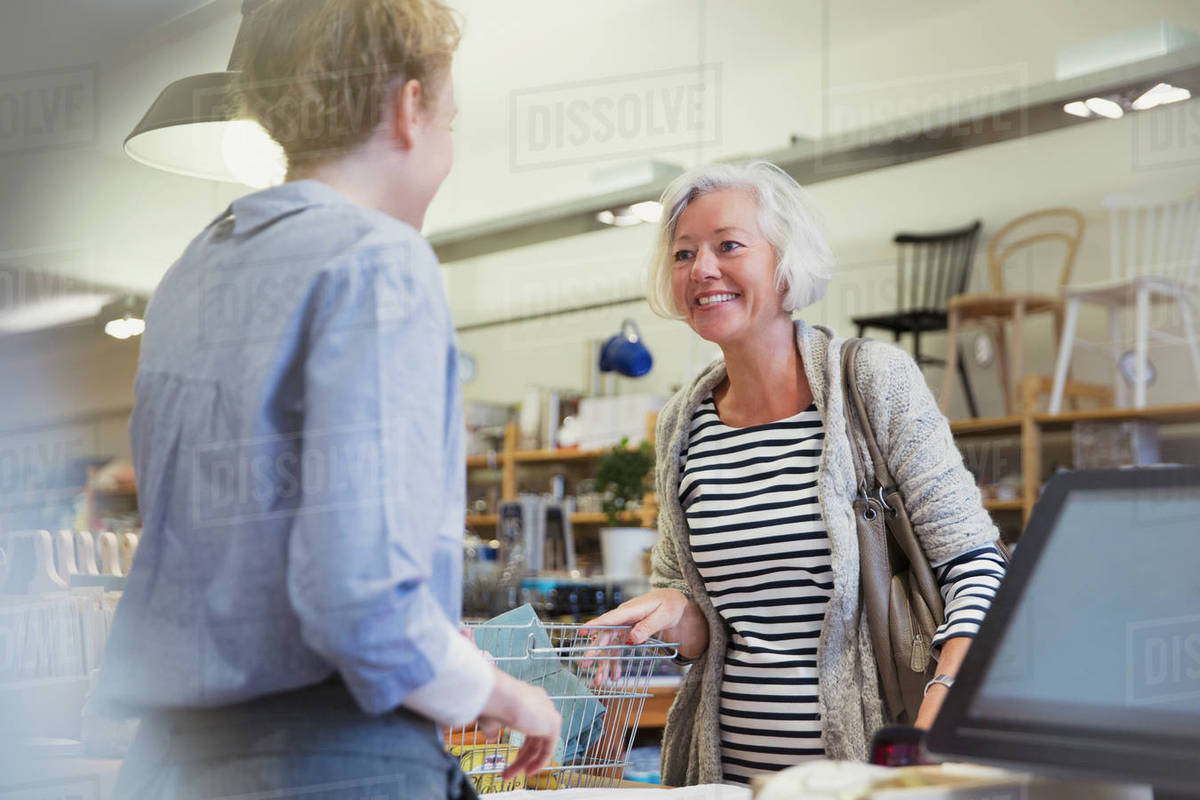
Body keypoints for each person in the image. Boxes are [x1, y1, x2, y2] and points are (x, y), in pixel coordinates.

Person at [95, 2, 559, 797]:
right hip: (327, 760)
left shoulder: (191, 270)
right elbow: (360, 596)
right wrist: (500, 691)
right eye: (450, 120)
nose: (446, 148)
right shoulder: (381, 260)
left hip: (169, 760)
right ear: (410, 109)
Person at [587, 161, 1007, 786]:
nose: (702, 269)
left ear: (787, 262)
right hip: (724, 778)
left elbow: (975, 564)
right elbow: (706, 631)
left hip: (864, 775)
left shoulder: (870, 382)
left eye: (728, 245)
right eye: (683, 253)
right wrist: (675, 611)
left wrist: (943, 700)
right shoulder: (681, 423)